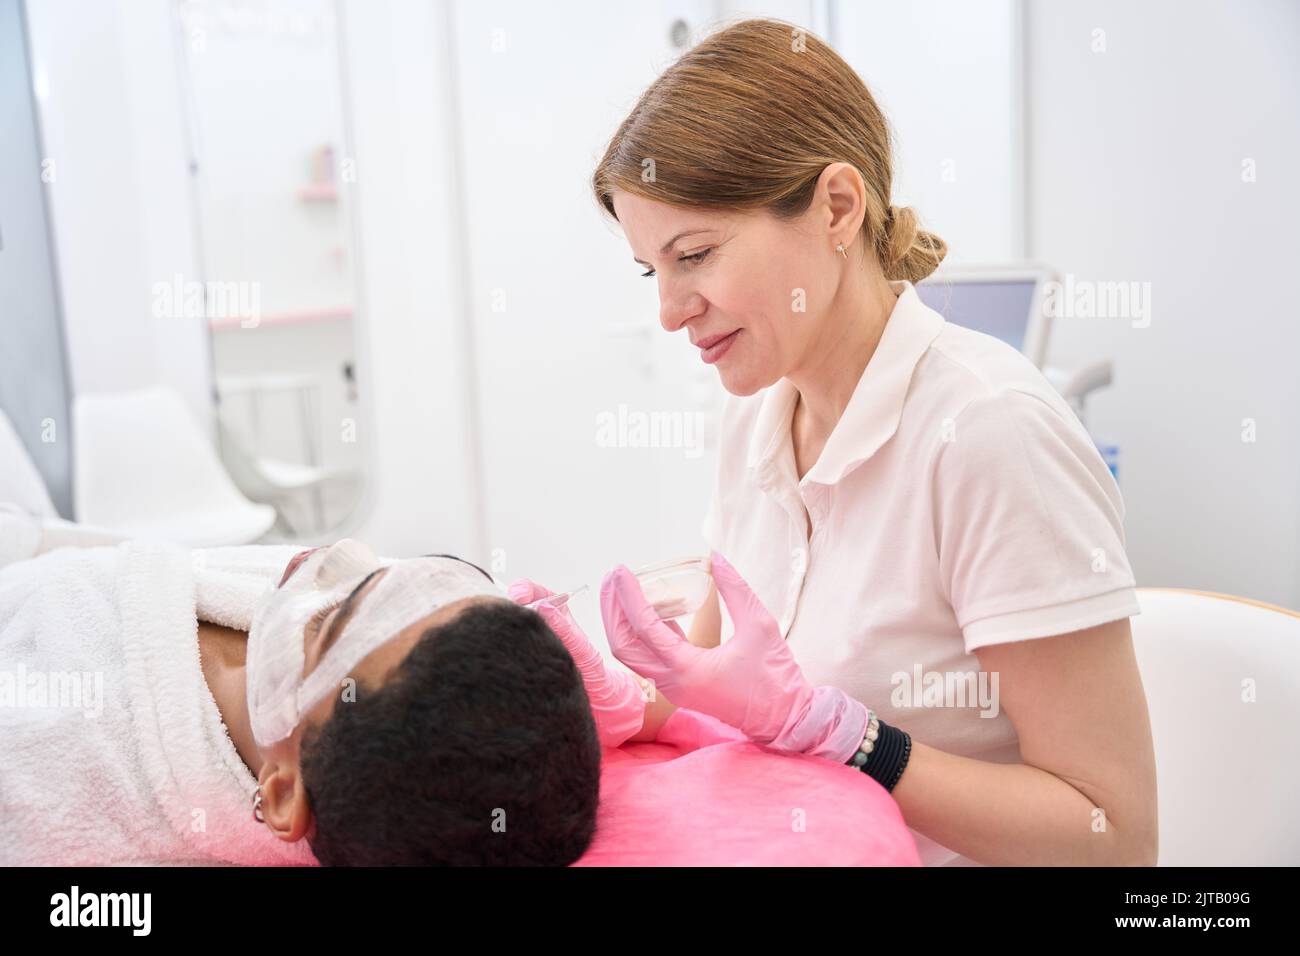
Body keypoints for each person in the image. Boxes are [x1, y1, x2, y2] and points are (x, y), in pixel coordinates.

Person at [565, 17, 1158, 866]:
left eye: (694, 254)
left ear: (837, 207)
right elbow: (716, 689)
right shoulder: (758, 418)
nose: (668, 311)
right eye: (652, 270)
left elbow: (1118, 838)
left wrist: (854, 741)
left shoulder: (988, 434)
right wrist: (611, 696)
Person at [0, 531, 601, 865]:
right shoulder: (404, 660)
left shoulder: (55, 769)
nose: (327, 563)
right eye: (375, 583)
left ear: (284, 792)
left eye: (327, 624)